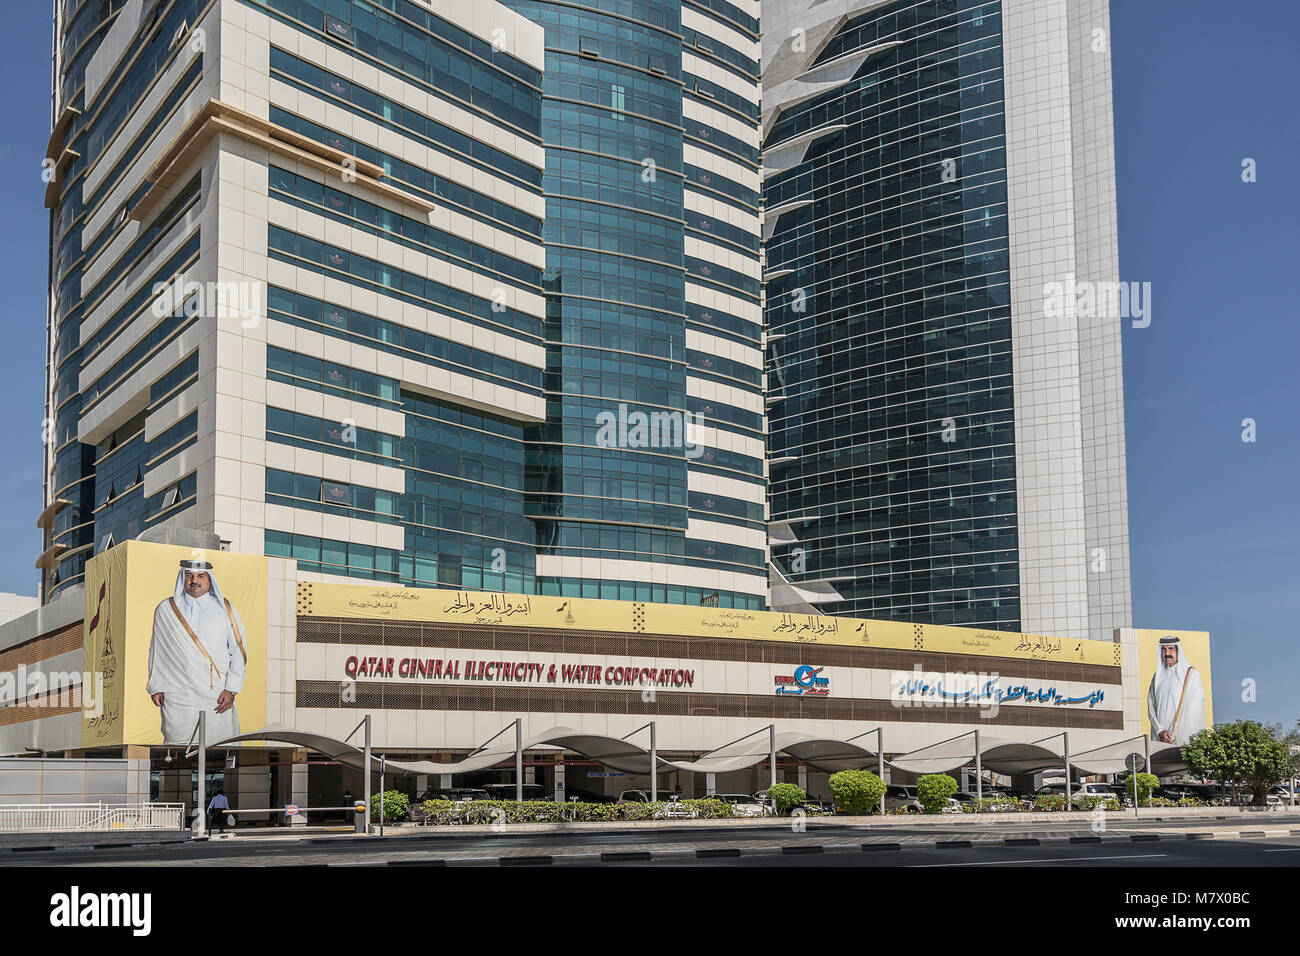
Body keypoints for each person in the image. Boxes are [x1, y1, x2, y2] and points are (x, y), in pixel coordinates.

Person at [147, 560, 248, 744]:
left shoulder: (224, 609)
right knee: (178, 745)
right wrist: (156, 686)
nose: (194, 580)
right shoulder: (166, 609)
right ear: (182, 578)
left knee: (217, 742)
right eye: (189, 576)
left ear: (210, 580)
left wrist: (232, 688)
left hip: (215, 692)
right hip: (177, 691)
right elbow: (157, 651)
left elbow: (238, 651)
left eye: (201, 576)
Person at [1147, 635, 1207, 746]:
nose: (1167, 653)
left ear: (1178, 651)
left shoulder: (1191, 675)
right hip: (1160, 739)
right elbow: (1151, 707)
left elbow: (1193, 712)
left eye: (1171, 649)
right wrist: (1160, 731)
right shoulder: (1157, 677)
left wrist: (1174, 734)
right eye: (1164, 649)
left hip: (1182, 739)